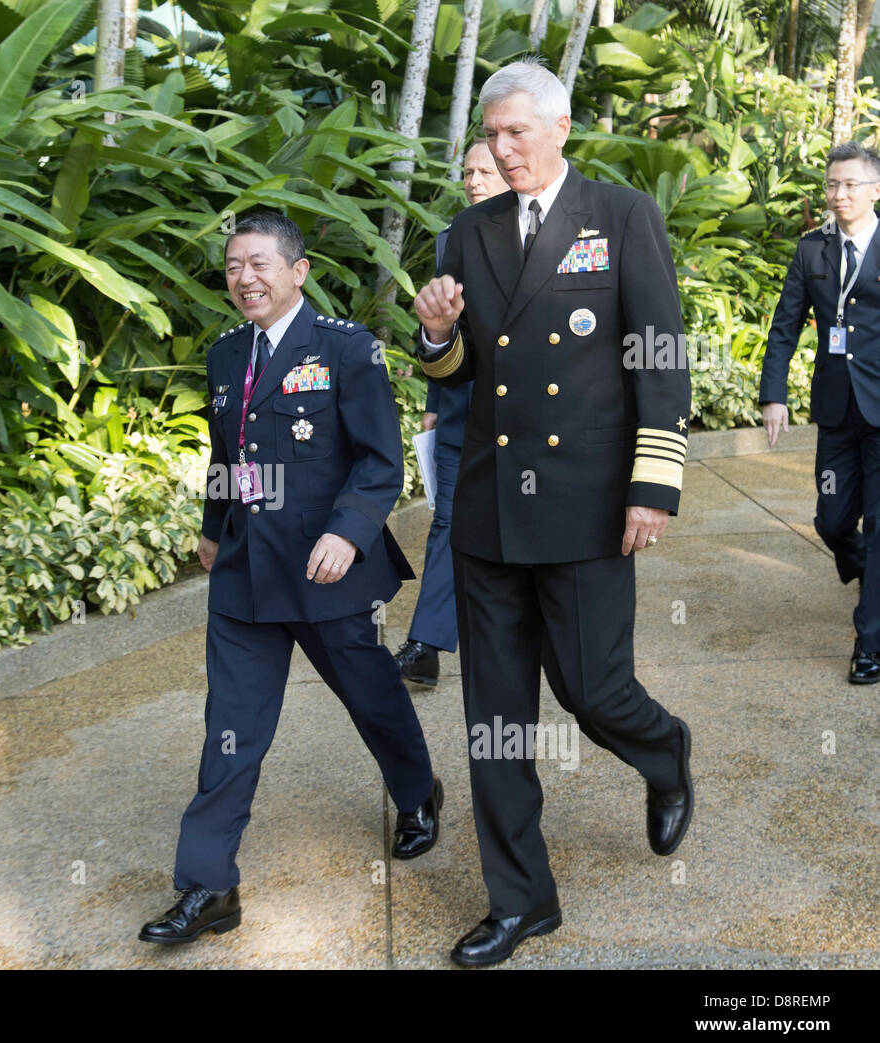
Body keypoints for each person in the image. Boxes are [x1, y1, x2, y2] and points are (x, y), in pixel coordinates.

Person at [413, 61, 694, 967]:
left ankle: (664, 751)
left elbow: (658, 352)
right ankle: (521, 900)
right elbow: (457, 377)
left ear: (561, 128)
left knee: (591, 689)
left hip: (587, 507)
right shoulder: (471, 228)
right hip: (492, 512)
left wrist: (653, 485)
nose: (501, 149)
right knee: (495, 717)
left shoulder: (620, 219)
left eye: (517, 133)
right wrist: (436, 335)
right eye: (492, 135)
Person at [139, 211, 441, 945]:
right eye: (233, 265)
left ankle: (417, 790)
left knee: (370, 693)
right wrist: (213, 531)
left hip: (323, 566)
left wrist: (348, 531)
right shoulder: (223, 356)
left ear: (297, 271)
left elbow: (379, 459)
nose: (244, 277)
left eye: (259, 263)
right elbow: (225, 457)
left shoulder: (345, 348)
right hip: (246, 571)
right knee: (231, 727)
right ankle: (209, 883)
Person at [760, 141, 880, 684]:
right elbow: (784, 327)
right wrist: (774, 395)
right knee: (832, 521)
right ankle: (863, 571)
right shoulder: (813, 251)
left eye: (851, 184)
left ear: (875, 189)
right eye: (833, 185)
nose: (840, 194)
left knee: (879, 529)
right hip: (836, 410)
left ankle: (869, 643)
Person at [395, 140, 511, 686]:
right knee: (448, 518)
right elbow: (443, 329)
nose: (474, 180)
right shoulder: (451, 241)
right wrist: (434, 405)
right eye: (467, 171)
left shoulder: (542, 237)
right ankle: (426, 644)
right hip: (462, 406)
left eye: (485, 170)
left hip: (525, 417)